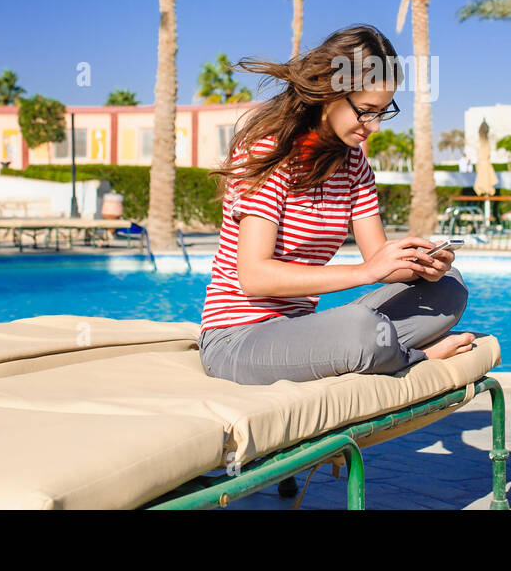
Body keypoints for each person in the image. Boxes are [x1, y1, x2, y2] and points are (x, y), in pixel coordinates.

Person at [199, 24, 474, 385]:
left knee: (448, 289)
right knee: (360, 327)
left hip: (300, 330)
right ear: (329, 92)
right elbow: (254, 277)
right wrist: (364, 272)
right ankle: (412, 358)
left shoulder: (354, 164)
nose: (373, 126)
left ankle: (379, 349)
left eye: (382, 111)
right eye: (365, 110)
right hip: (237, 339)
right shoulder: (270, 149)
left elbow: (380, 261)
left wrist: (420, 264)